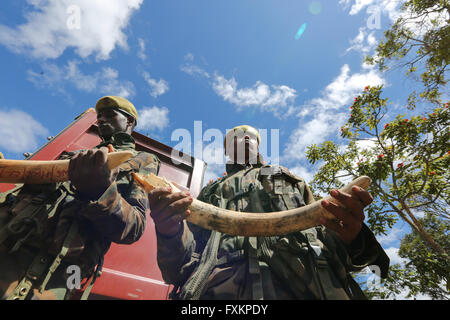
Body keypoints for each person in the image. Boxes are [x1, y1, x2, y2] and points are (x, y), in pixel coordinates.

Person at [149, 125, 389, 300]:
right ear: (226, 151)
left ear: (257, 145)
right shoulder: (209, 192)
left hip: (307, 287)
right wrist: (169, 232)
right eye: (233, 139)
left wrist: (353, 239)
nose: (242, 140)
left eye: (248, 137)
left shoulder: (289, 179)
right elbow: (177, 268)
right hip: (216, 292)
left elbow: (327, 242)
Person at [0, 96, 160, 300]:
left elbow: (134, 228)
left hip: (51, 276)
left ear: (129, 121)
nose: (101, 120)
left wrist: (101, 191)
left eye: (110, 115)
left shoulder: (142, 160)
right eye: (99, 116)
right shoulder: (74, 155)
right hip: (9, 243)